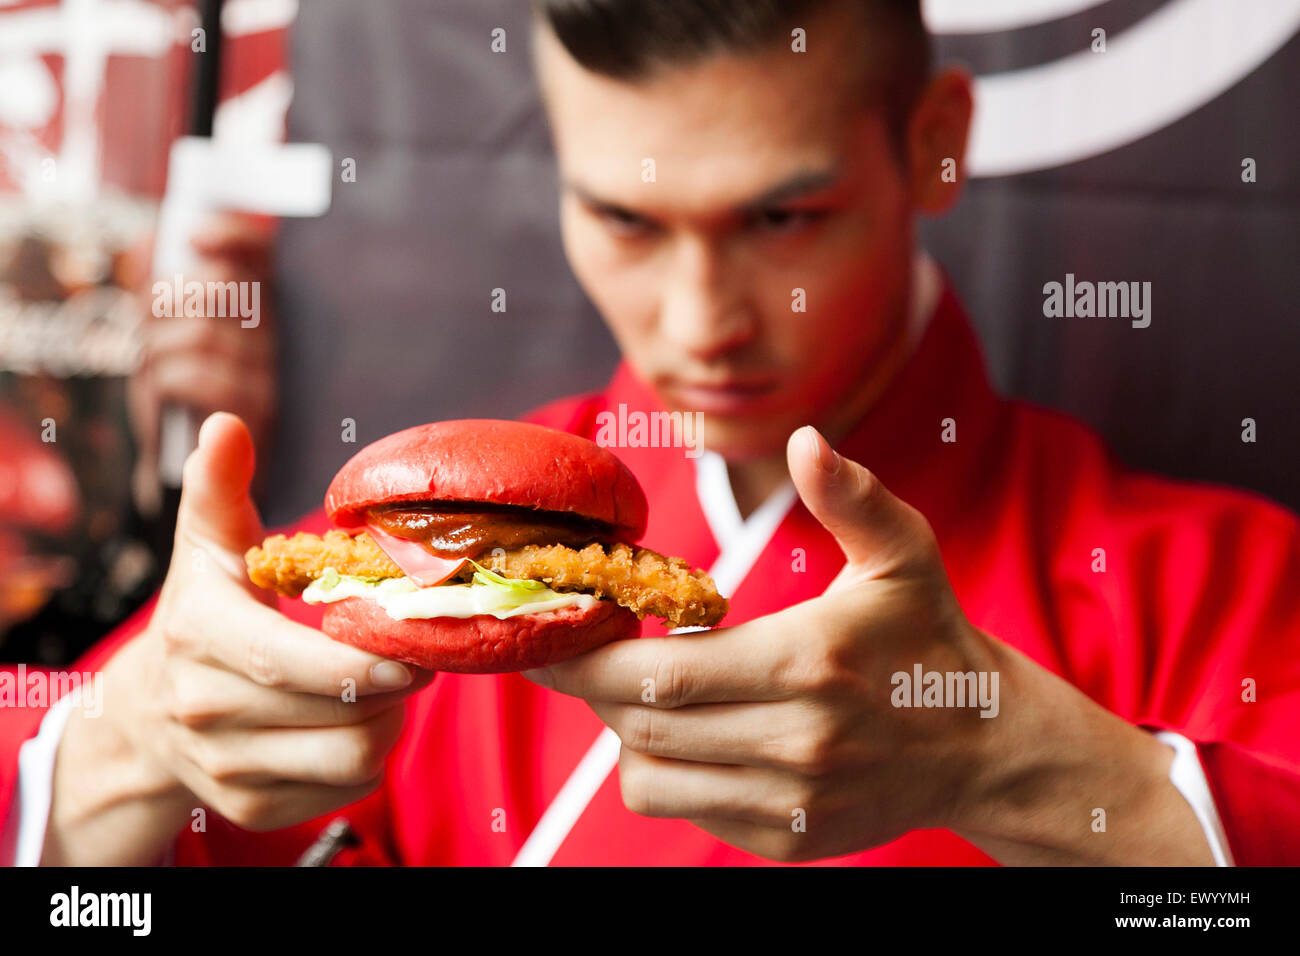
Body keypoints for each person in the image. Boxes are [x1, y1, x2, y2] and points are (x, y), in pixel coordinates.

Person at [3, 0, 1298, 866]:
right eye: (625, 220)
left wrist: (1050, 781)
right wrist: (119, 757)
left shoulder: (1214, 586)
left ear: (936, 147)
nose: (702, 323)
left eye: (782, 220)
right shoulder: (439, 554)